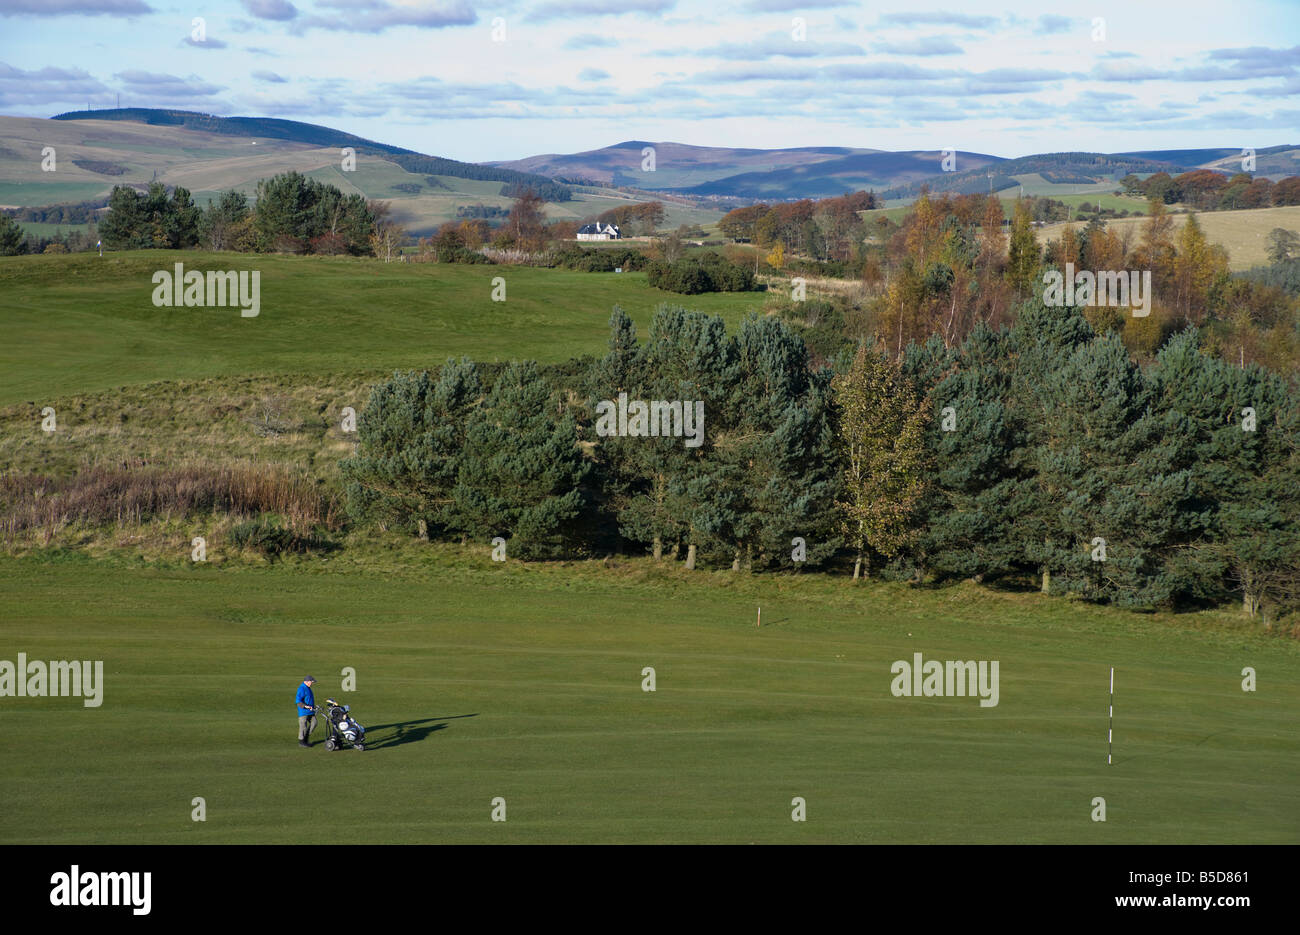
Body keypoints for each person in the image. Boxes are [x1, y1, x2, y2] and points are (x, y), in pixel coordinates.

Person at [296, 676, 317, 747]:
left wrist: (314, 706)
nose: (312, 683)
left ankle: (305, 739)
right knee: (303, 727)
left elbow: (309, 699)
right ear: (307, 681)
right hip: (303, 712)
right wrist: (305, 706)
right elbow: (298, 701)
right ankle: (302, 742)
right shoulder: (302, 688)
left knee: (314, 723)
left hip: (310, 711)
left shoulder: (308, 688)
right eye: (311, 682)